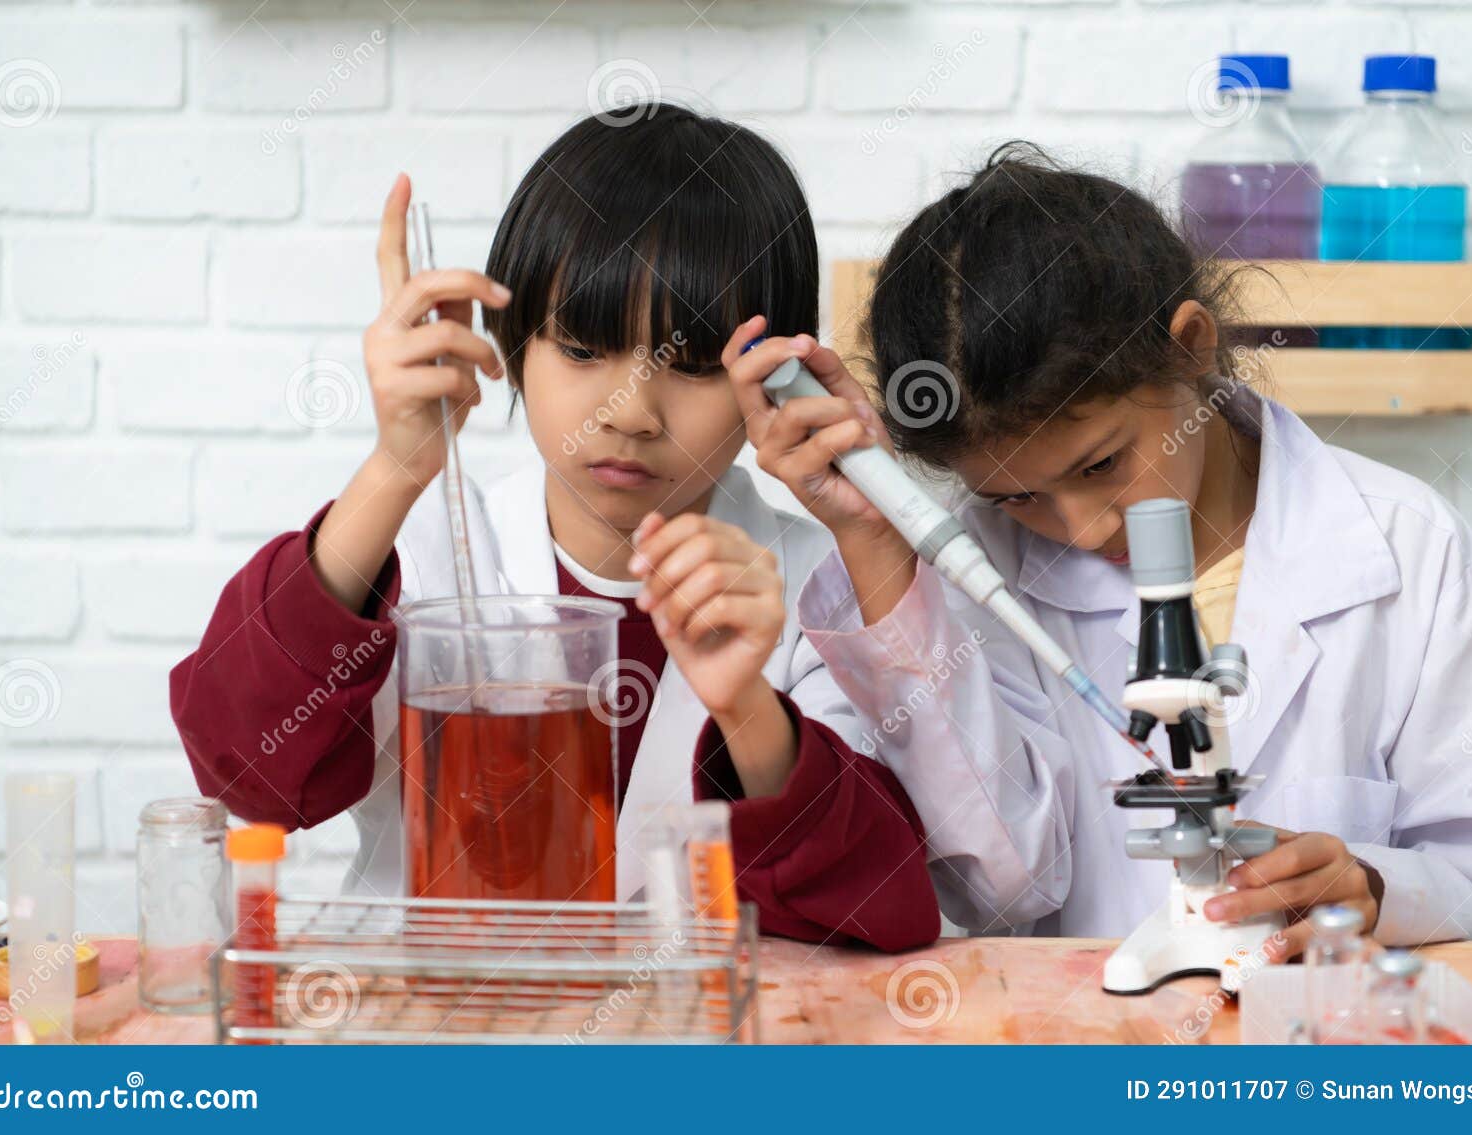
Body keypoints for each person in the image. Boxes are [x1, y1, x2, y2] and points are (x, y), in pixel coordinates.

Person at [731, 142, 1472, 955]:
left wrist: (1379, 890)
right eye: (1016, 496)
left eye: (1102, 463)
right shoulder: (979, 569)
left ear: (1192, 347)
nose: (1087, 527)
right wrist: (876, 538)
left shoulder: (1409, 554)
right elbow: (1001, 885)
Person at [170, 105, 940, 952]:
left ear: (775, 376)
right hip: (438, 1040)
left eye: (687, 366)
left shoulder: (809, 589)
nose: (630, 412)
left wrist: (750, 707)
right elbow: (247, 773)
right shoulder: (422, 558)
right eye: (582, 347)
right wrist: (395, 468)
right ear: (511, 343)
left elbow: (887, 908)